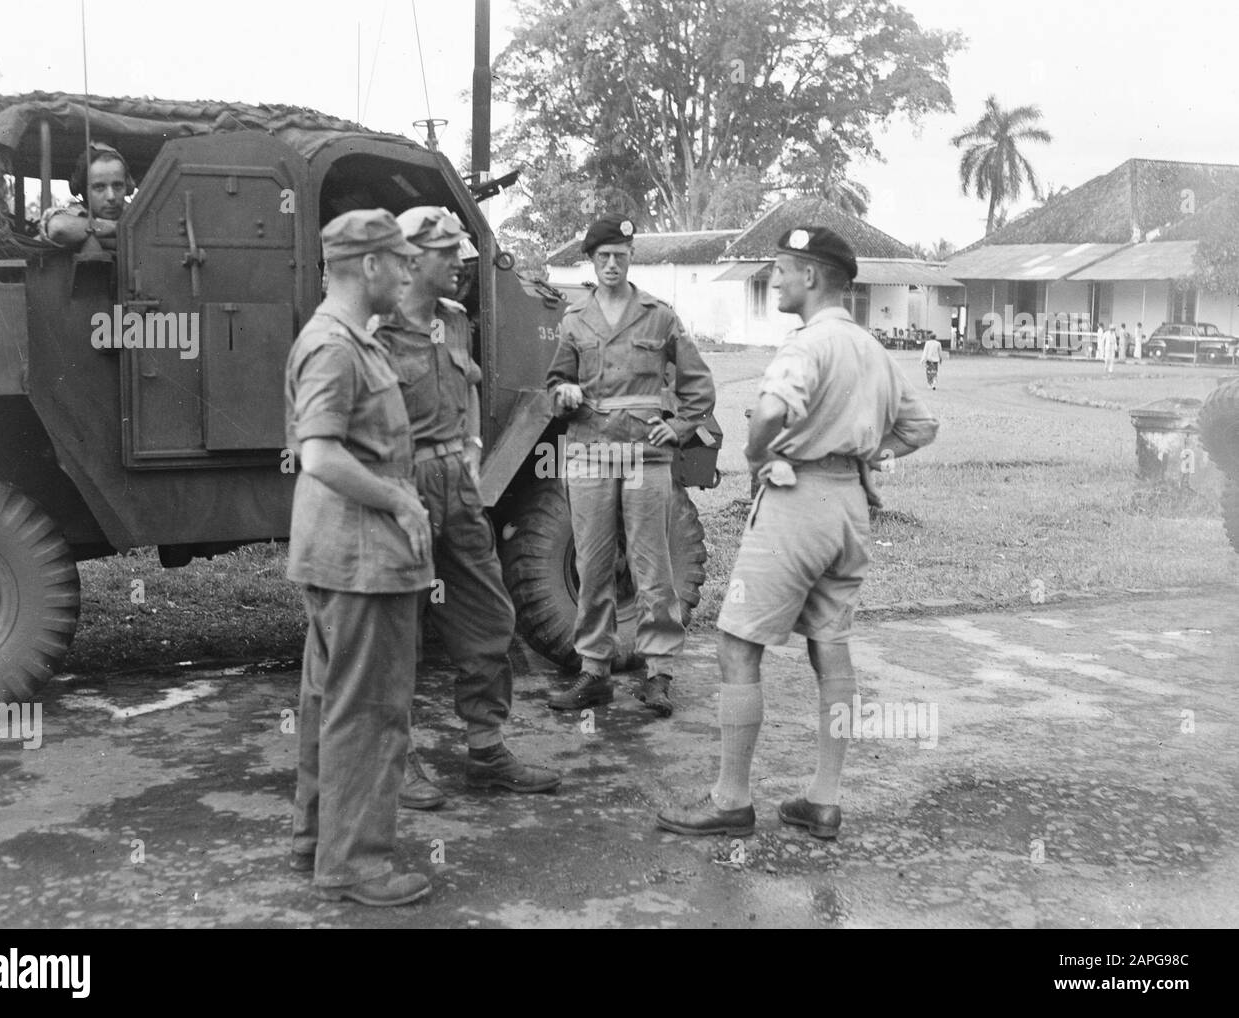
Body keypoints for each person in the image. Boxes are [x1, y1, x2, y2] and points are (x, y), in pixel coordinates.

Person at [656, 226, 938, 840]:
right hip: (849, 511)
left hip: (796, 501)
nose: (775, 279)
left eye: (782, 269)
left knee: (737, 644)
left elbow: (770, 414)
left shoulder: (806, 345)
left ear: (811, 276)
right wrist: (863, 456)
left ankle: (731, 800)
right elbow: (920, 427)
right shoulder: (870, 348)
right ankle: (824, 800)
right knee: (830, 647)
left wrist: (761, 456)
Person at [378, 205, 561, 806]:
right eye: (448, 251)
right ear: (411, 259)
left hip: (458, 484)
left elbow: (470, 387)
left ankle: (486, 751)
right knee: (396, 630)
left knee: (490, 616)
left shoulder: (455, 321)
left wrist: (475, 451)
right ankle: (393, 759)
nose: (462, 262)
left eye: (463, 249)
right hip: (401, 490)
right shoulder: (372, 331)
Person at [285, 209, 434, 907]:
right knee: (370, 712)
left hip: (343, 555)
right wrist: (401, 503)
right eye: (400, 260)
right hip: (362, 559)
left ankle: (319, 840)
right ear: (369, 265)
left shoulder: (350, 340)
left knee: (331, 702)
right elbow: (319, 455)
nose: (410, 271)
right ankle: (356, 865)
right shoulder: (336, 347)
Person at [545, 212, 716, 718]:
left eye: (620, 256)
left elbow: (698, 387)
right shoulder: (575, 320)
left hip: (645, 453)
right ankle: (594, 672)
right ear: (592, 262)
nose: (612, 264)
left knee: (651, 566)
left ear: (631, 257)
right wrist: (565, 391)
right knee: (592, 566)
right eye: (603, 257)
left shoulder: (660, 316)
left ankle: (658, 674)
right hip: (591, 453)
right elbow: (554, 384)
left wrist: (680, 427)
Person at [40, 142, 132, 246]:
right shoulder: (76, 213)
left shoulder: (137, 213)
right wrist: (118, 228)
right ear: (84, 190)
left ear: (128, 186)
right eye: (99, 187)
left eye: (117, 185)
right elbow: (57, 227)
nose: (111, 196)